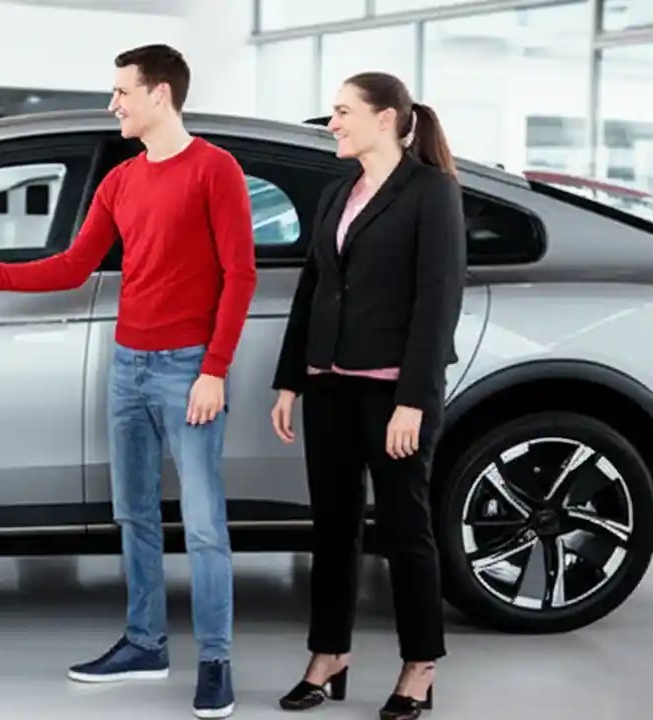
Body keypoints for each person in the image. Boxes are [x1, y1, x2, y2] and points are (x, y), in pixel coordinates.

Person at [0, 44, 258, 719]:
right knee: (133, 513)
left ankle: (215, 660)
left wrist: (214, 369)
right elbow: (73, 265)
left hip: (189, 367)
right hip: (127, 365)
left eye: (121, 92)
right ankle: (144, 643)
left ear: (159, 94)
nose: (114, 104)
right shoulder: (121, 181)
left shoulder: (215, 170)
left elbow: (240, 274)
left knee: (204, 523)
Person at [269, 71, 465, 720]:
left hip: (393, 394)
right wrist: (290, 379)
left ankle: (420, 665)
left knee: (406, 532)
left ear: (385, 119)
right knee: (332, 529)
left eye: (342, 111)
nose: (332, 123)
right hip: (328, 385)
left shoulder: (431, 193)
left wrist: (414, 398)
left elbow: (438, 302)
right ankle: (330, 655)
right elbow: (312, 290)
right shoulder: (336, 194)